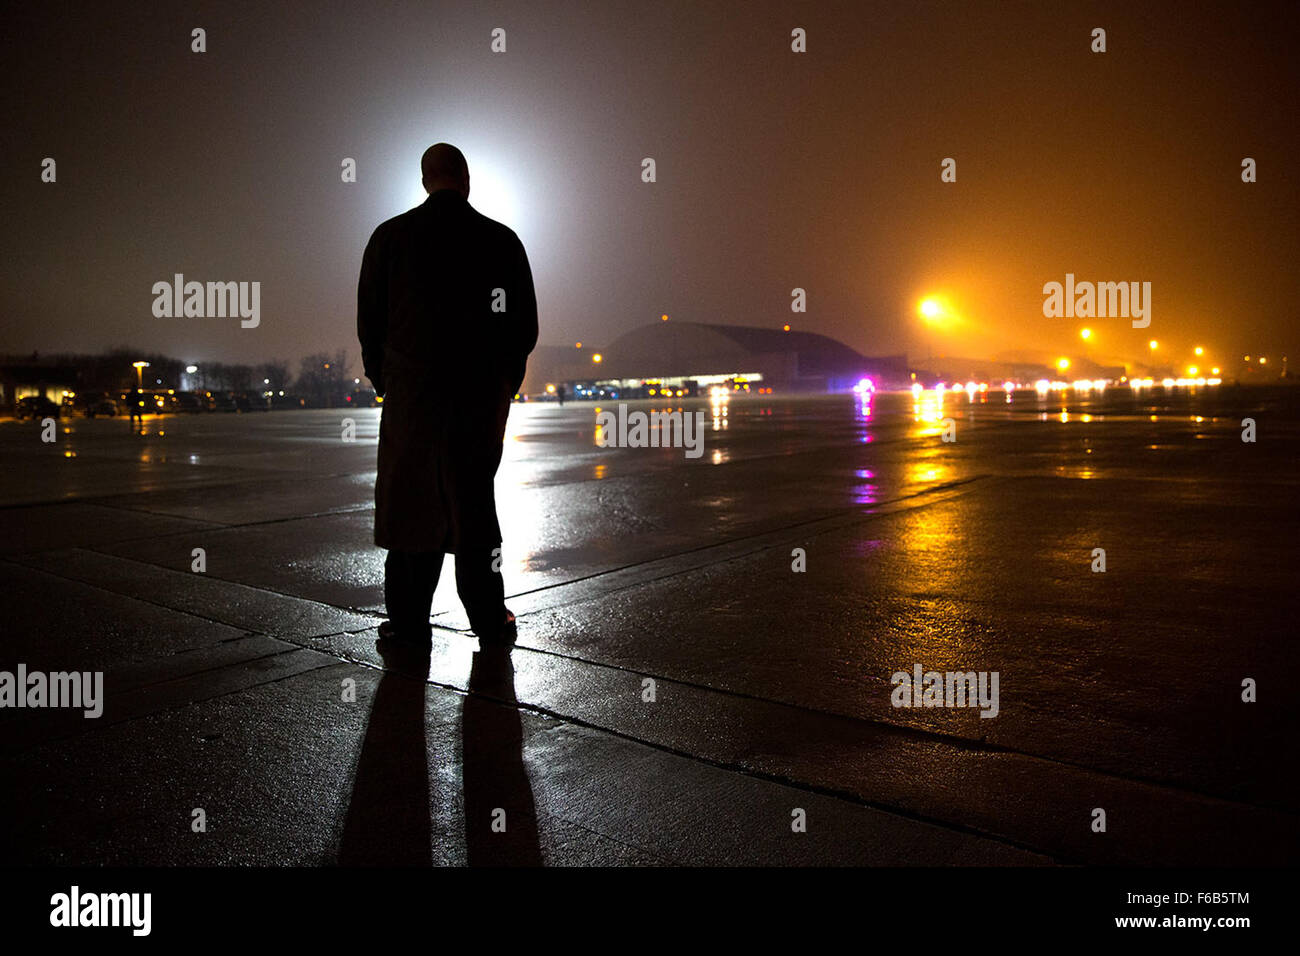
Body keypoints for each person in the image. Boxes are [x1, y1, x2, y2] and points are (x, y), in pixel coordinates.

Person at [357, 143, 538, 644]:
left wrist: (388, 382)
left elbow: (370, 324)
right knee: (474, 509)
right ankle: (489, 621)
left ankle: (410, 628)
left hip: (413, 400)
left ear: (424, 181)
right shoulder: (500, 241)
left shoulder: (390, 239)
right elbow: (521, 327)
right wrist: (501, 385)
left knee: (411, 509)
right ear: (466, 179)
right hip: (477, 400)